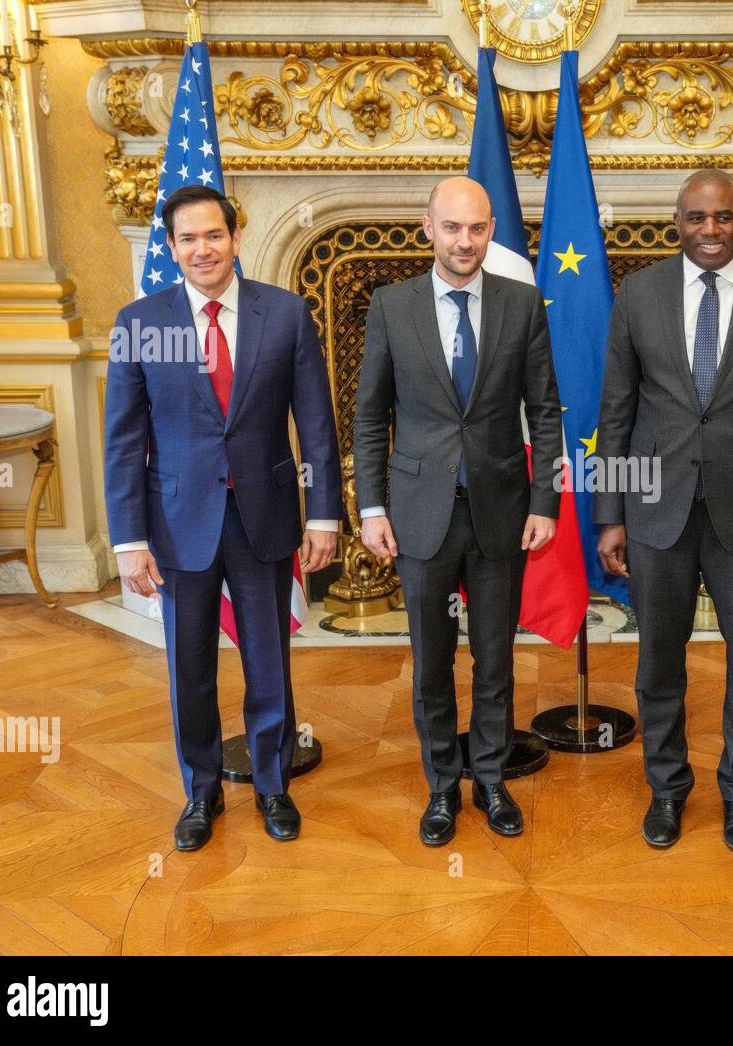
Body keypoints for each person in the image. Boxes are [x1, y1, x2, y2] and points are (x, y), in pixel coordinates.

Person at [105, 184, 341, 850]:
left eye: (214, 235)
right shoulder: (140, 322)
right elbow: (123, 437)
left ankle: (272, 786)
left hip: (265, 515)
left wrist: (323, 514)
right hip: (178, 523)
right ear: (171, 247)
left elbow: (316, 426)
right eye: (188, 238)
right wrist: (128, 540)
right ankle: (201, 794)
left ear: (236, 237)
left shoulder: (287, 315)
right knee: (190, 668)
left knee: (270, 661)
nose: (203, 249)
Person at [595, 169, 733, 851]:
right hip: (656, 515)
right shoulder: (639, 293)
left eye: (724, 217)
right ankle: (667, 789)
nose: (712, 230)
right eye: (698, 218)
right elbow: (617, 411)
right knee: (658, 659)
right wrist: (611, 515)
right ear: (678, 222)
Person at [354, 176, 562, 847]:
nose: (464, 241)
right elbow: (368, 415)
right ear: (428, 228)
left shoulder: (523, 305)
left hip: (503, 511)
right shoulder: (392, 305)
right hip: (419, 514)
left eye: (477, 228)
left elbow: (546, 411)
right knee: (433, 659)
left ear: (491, 230)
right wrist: (372, 505)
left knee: (495, 658)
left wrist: (545, 502)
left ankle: (492, 779)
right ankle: (442, 785)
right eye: (452, 228)